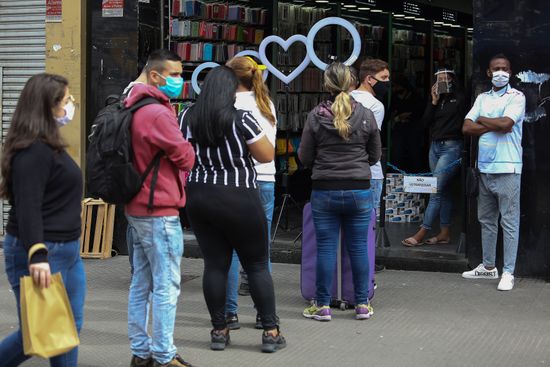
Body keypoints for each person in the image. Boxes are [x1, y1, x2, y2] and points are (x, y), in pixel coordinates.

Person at [181, 66, 286, 353]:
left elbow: (179, 153)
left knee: (215, 265)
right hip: (239, 195)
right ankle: (270, 331)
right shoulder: (242, 119)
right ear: (231, 91)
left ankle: (219, 330)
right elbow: (265, 155)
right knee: (256, 264)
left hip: (199, 195)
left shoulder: (186, 118)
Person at [0, 73, 86, 366]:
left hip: (68, 251)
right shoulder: (33, 150)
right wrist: (37, 253)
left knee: (67, 329)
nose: (71, 104)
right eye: (66, 99)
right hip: (41, 252)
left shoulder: (50, 145)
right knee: (42, 332)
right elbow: (27, 206)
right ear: (49, 107)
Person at [124, 50, 196, 367]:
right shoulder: (156, 113)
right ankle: (164, 356)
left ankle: (141, 352)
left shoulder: (129, 103)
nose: (179, 81)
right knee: (167, 285)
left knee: (141, 283)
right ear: (155, 76)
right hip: (159, 207)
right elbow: (185, 156)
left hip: (136, 206)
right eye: (175, 74)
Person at [299, 62, 381, 321]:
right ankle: (362, 305)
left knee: (325, 248)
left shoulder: (316, 115)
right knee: (358, 248)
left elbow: (305, 156)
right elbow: (375, 155)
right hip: (359, 189)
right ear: (353, 82)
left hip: (324, 190)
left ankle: (322, 306)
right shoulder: (366, 115)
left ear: (327, 85)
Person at [462, 54, 525, 291]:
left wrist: (484, 120)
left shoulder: (516, 96)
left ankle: (508, 271)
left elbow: (507, 124)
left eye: (505, 69)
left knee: (509, 221)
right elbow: (466, 127)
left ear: (510, 72)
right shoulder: (482, 97)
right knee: (486, 219)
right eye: (497, 68)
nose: (501, 72)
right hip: (485, 167)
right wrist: (494, 122)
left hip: (508, 167)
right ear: (489, 73)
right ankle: (488, 267)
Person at [224, 56, 278, 330]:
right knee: (260, 252)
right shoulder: (266, 104)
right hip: (266, 180)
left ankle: (229, 313)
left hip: (236, 179)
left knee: (231, 249)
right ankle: (263, 314)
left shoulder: (227, 104)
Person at [402, 69, 466, 247]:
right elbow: (425, 122)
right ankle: (445, 233)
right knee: (443, 190)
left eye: (446, 79)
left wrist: (454, 94)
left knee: (435, 190)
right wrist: (433, 101)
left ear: (453, 80)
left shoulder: (460, 99)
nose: (442, 82)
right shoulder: (438, 100)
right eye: (438, 79)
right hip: (435, 146)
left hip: (452, 146)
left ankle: (422, 232)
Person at [350, 58, 390, 215]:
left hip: (345, 171)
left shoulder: (343, 98)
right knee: (368, 225)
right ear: (369, 79)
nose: (388, 82)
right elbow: (373, 141)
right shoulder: (376, 105)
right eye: (384, 78)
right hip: (370, 172)